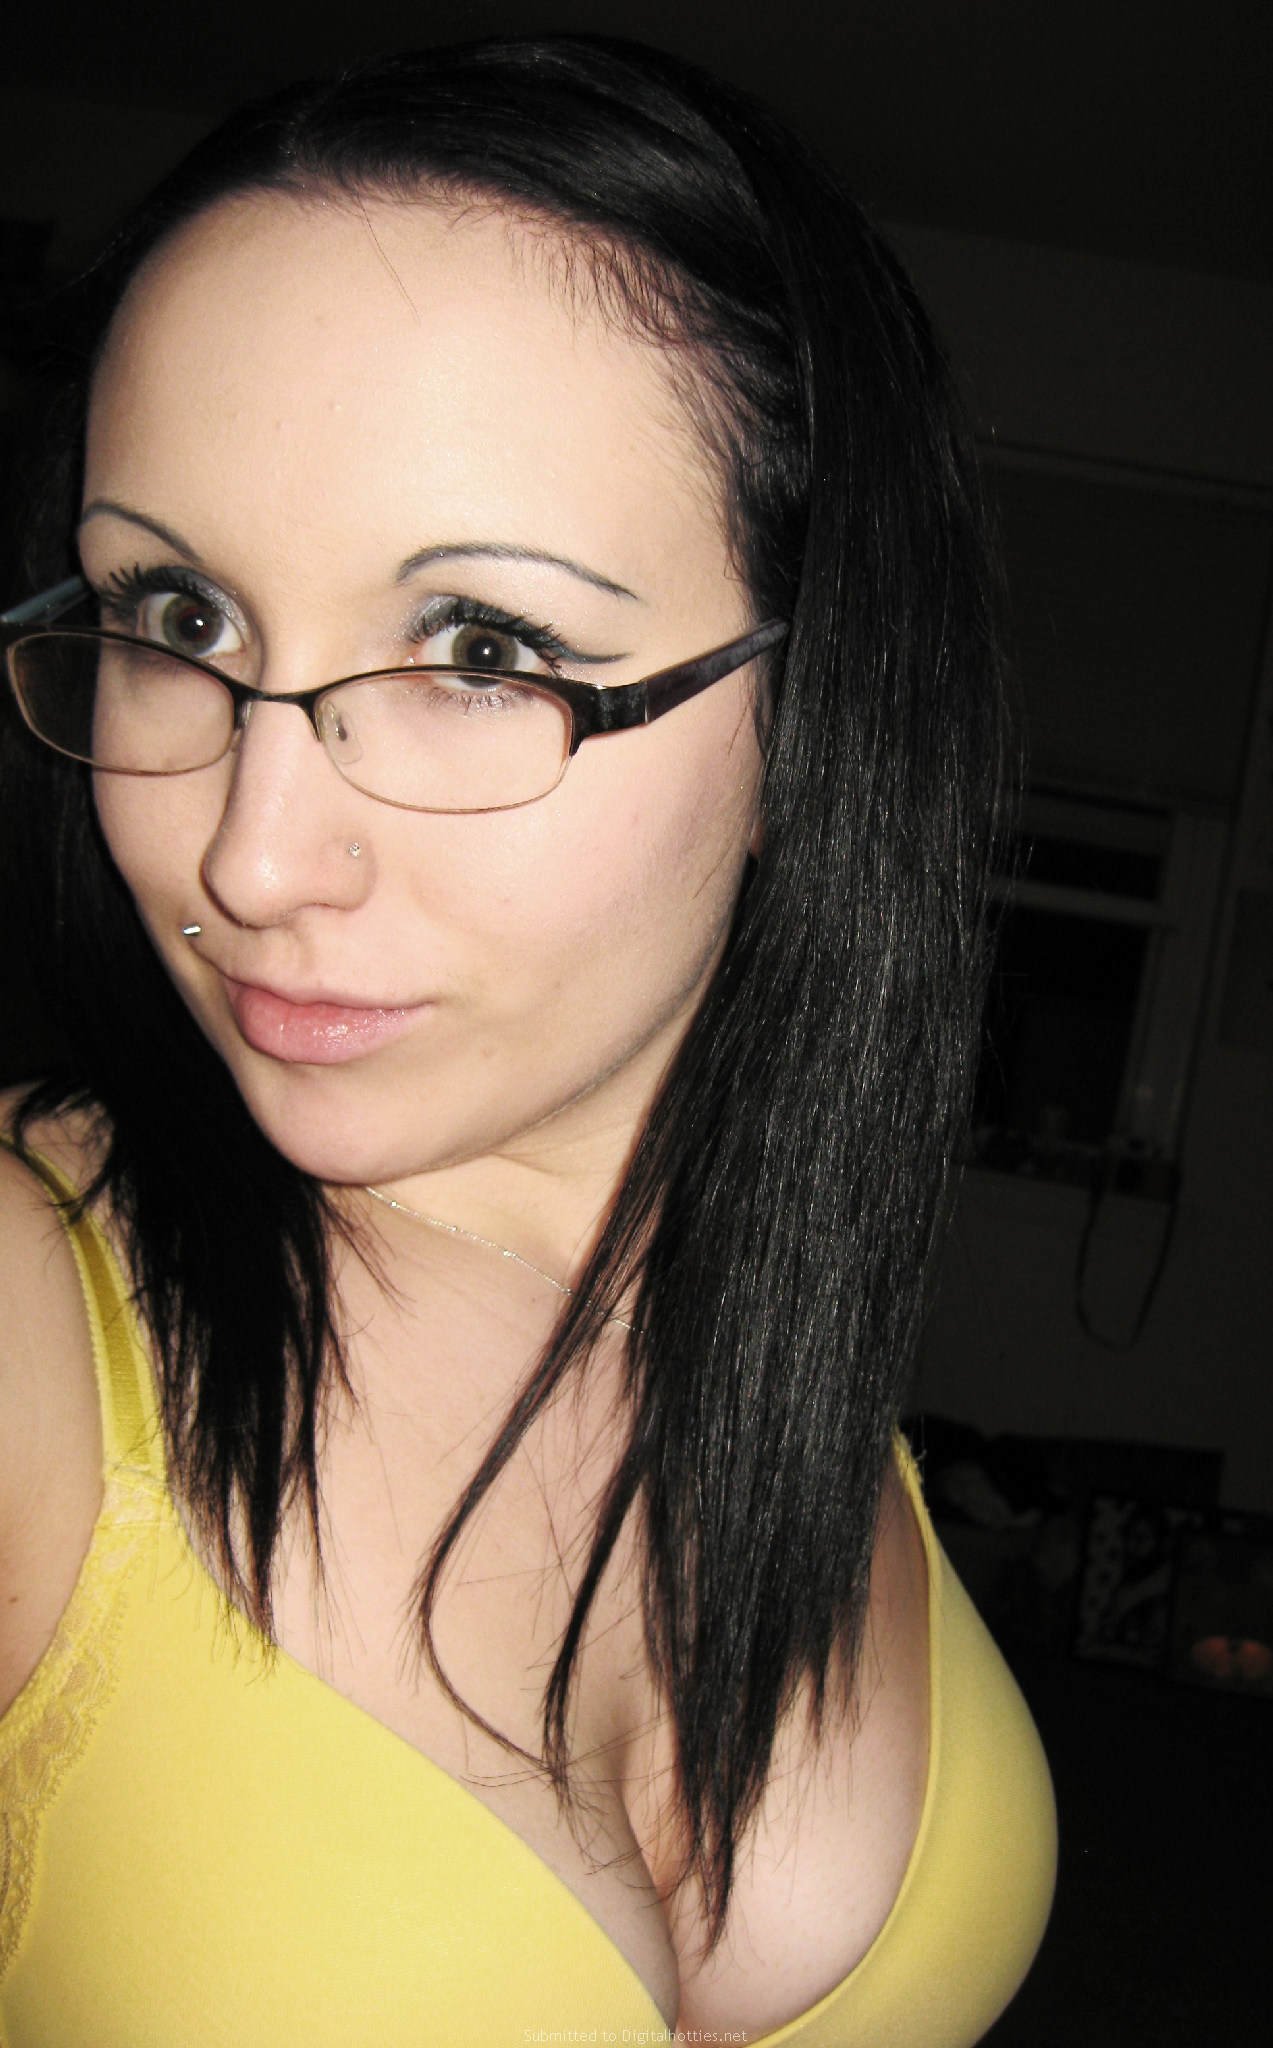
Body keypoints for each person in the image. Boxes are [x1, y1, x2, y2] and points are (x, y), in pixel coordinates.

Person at [0, 35, 1055, 2047]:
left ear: (817, 706)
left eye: (481, 651)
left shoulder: (780, 1336)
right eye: (181, 619)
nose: (251, 851)